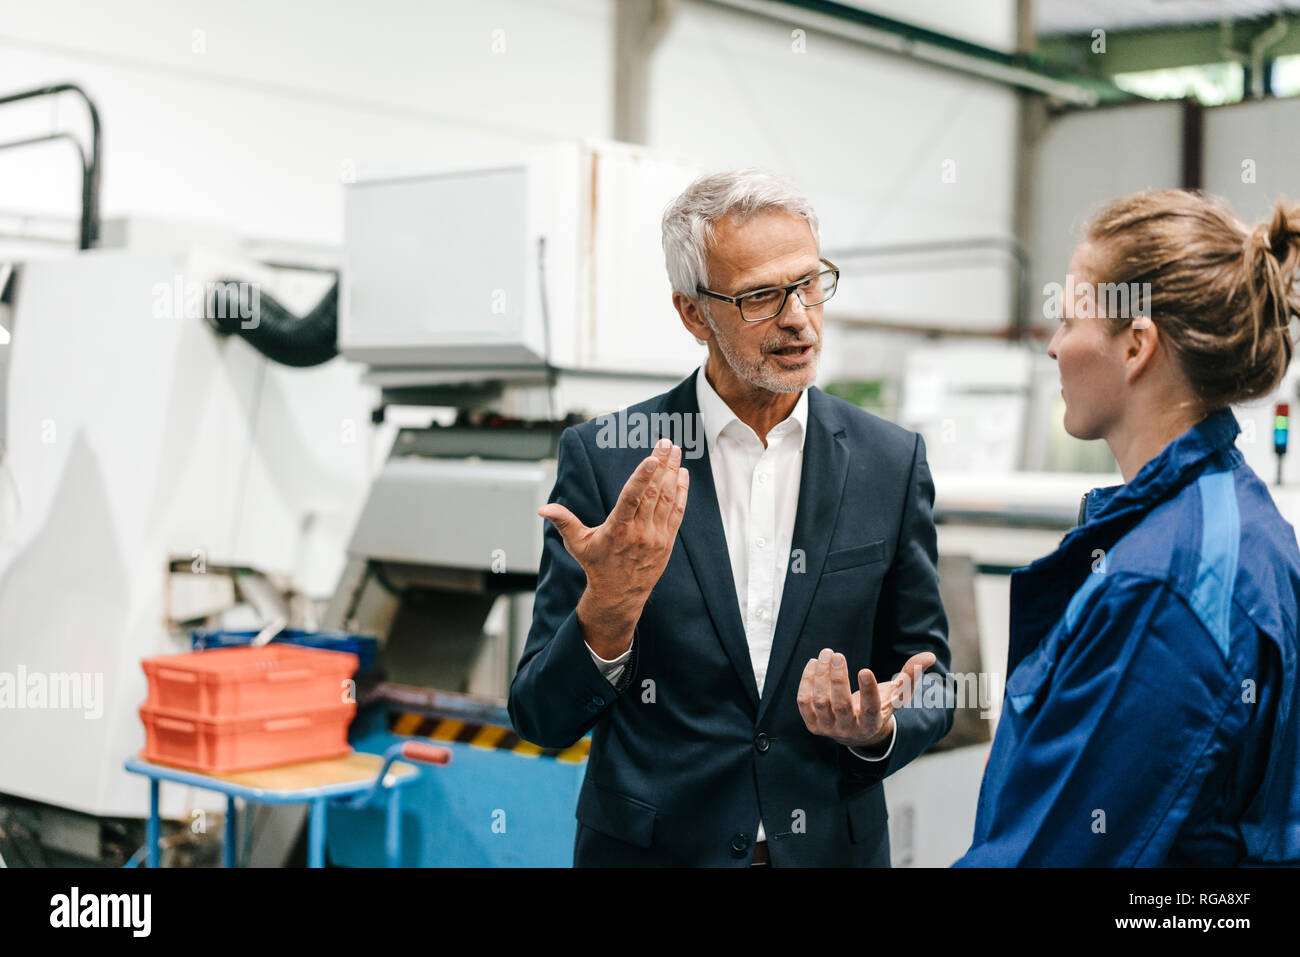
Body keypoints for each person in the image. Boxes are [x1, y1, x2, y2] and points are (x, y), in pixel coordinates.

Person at [508, 169, 953, 866]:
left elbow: (932, 675)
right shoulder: (607, 462)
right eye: (761, 296)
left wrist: (876, 728)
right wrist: (609, 610)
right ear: (693, 313)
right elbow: (542, 715)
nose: (799, 316)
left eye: (809, 282)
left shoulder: (888, 462)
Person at [956, 188, 1300, 866]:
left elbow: (1052, 854)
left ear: (1136, 345)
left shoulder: (1165, 587)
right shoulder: (1226, 519)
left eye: (1068, 319)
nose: (1053, 348)